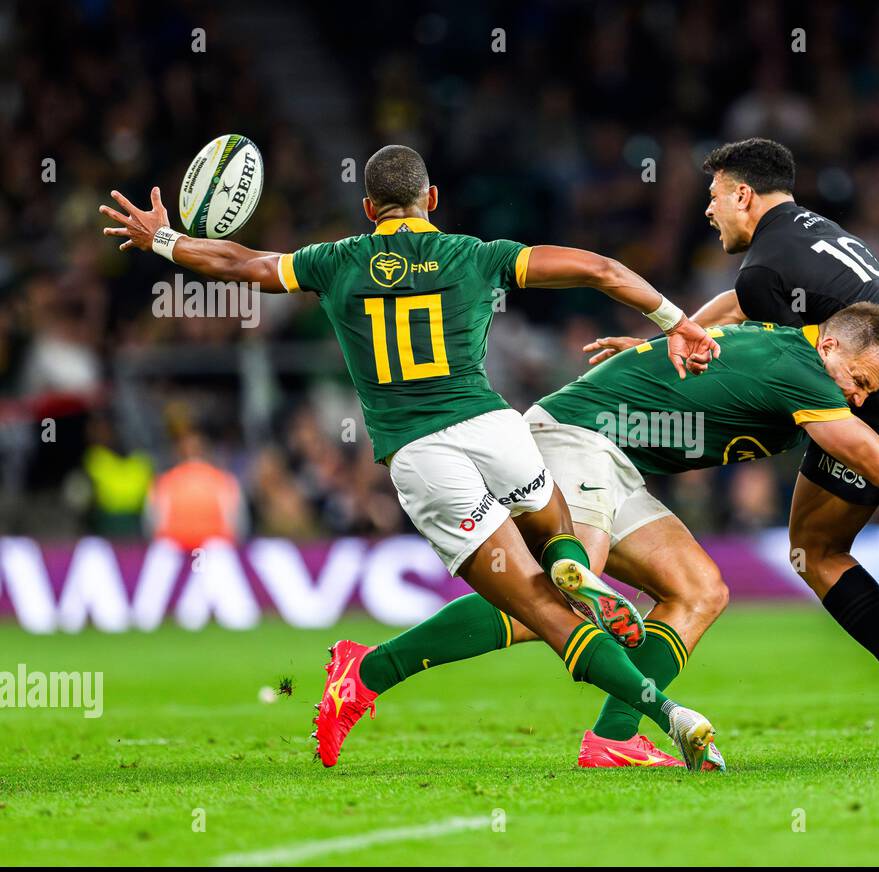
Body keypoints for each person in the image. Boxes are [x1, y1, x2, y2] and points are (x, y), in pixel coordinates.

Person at [99, 144, 723, 771]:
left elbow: (245, 264)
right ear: (432, 199)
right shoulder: (477, 256)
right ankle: (573, 572)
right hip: (491, 426)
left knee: (538, 609)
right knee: (553, 527)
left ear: (368, 208)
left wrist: (164, 241)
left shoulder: (334, 261)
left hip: (420, 456)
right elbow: (601, 270)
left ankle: (667, 714)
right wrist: (674, 320)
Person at [351, 302, 879, 768]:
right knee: (558, 605)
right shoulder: (797, 367)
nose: (856, 399)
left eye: (866, 391)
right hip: (576, 439)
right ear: (830, 348)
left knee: (699, 590)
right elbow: (878, 462)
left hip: (617, 463)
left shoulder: (796, 351)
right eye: (856, 382)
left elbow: (732, 308)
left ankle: (613, 741)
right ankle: (368, 670)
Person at [588, 138, 879, 756]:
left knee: (814, 551)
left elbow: (748, 339)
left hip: (877, 390)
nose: (708, 212)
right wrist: (662, 337)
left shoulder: (767, 264)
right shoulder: (817, 231)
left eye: (714, 198)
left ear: (743, 194)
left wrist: (648, 366)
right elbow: (743, 308)